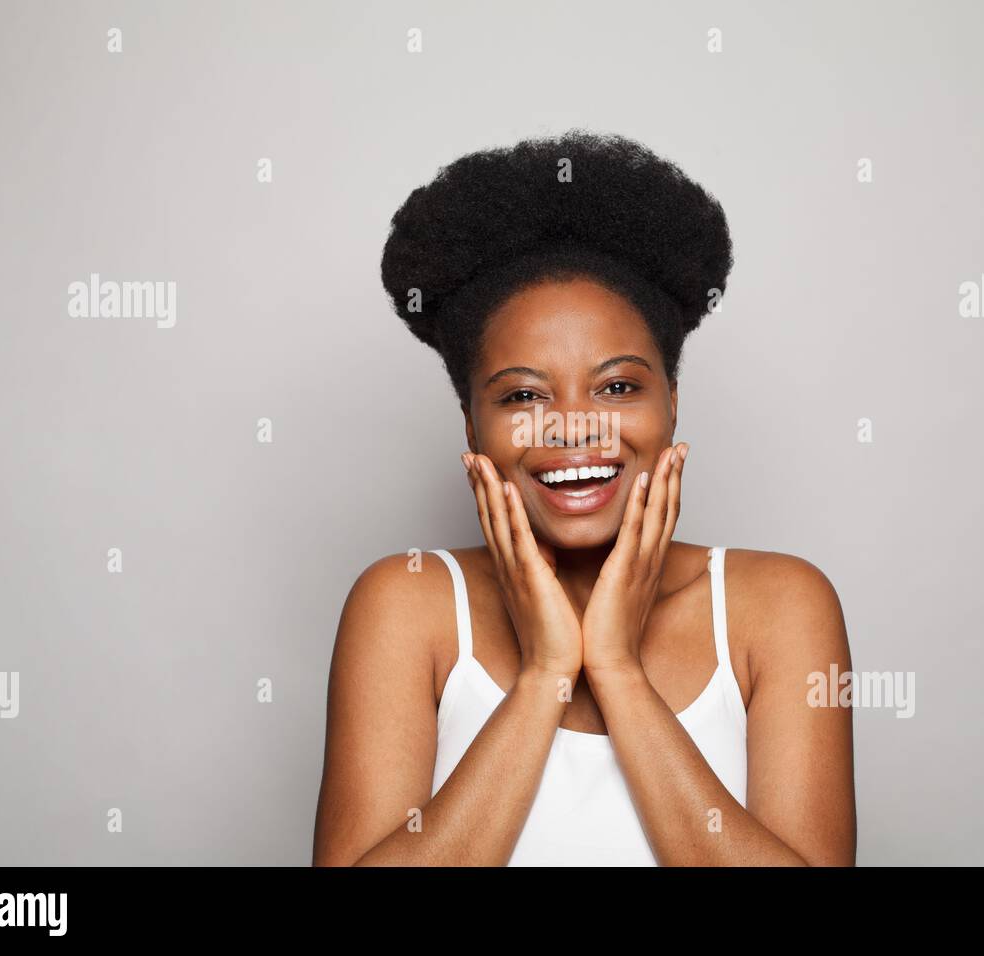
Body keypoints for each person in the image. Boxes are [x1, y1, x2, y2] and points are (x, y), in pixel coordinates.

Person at [313, 129, 856, 865]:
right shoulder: (406, 604)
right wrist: (544, 676)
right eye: (524, 395)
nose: (577, 426)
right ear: (472, 425)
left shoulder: (780, 606)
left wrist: (617, 671)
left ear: (671, 404)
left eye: (619, 386)